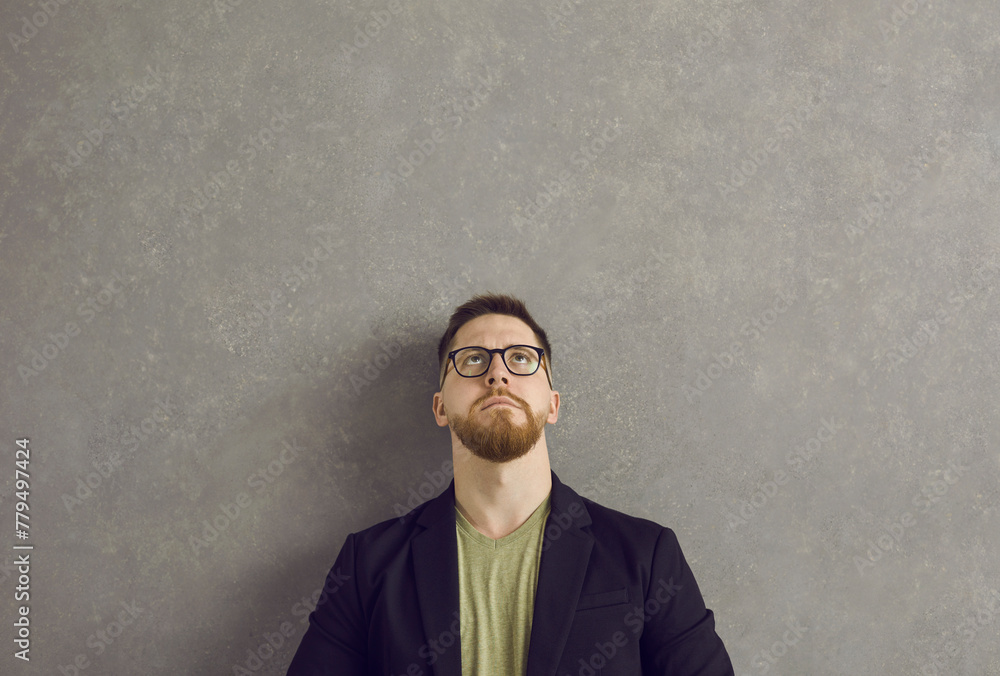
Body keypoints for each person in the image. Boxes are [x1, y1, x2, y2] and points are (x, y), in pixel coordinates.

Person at [287, 293, 734, 675]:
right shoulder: (368, 564)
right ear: (441, 408)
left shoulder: (646, 554)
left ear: (552, 404)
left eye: (521, 358)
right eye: (472, 360)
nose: (497, 374)